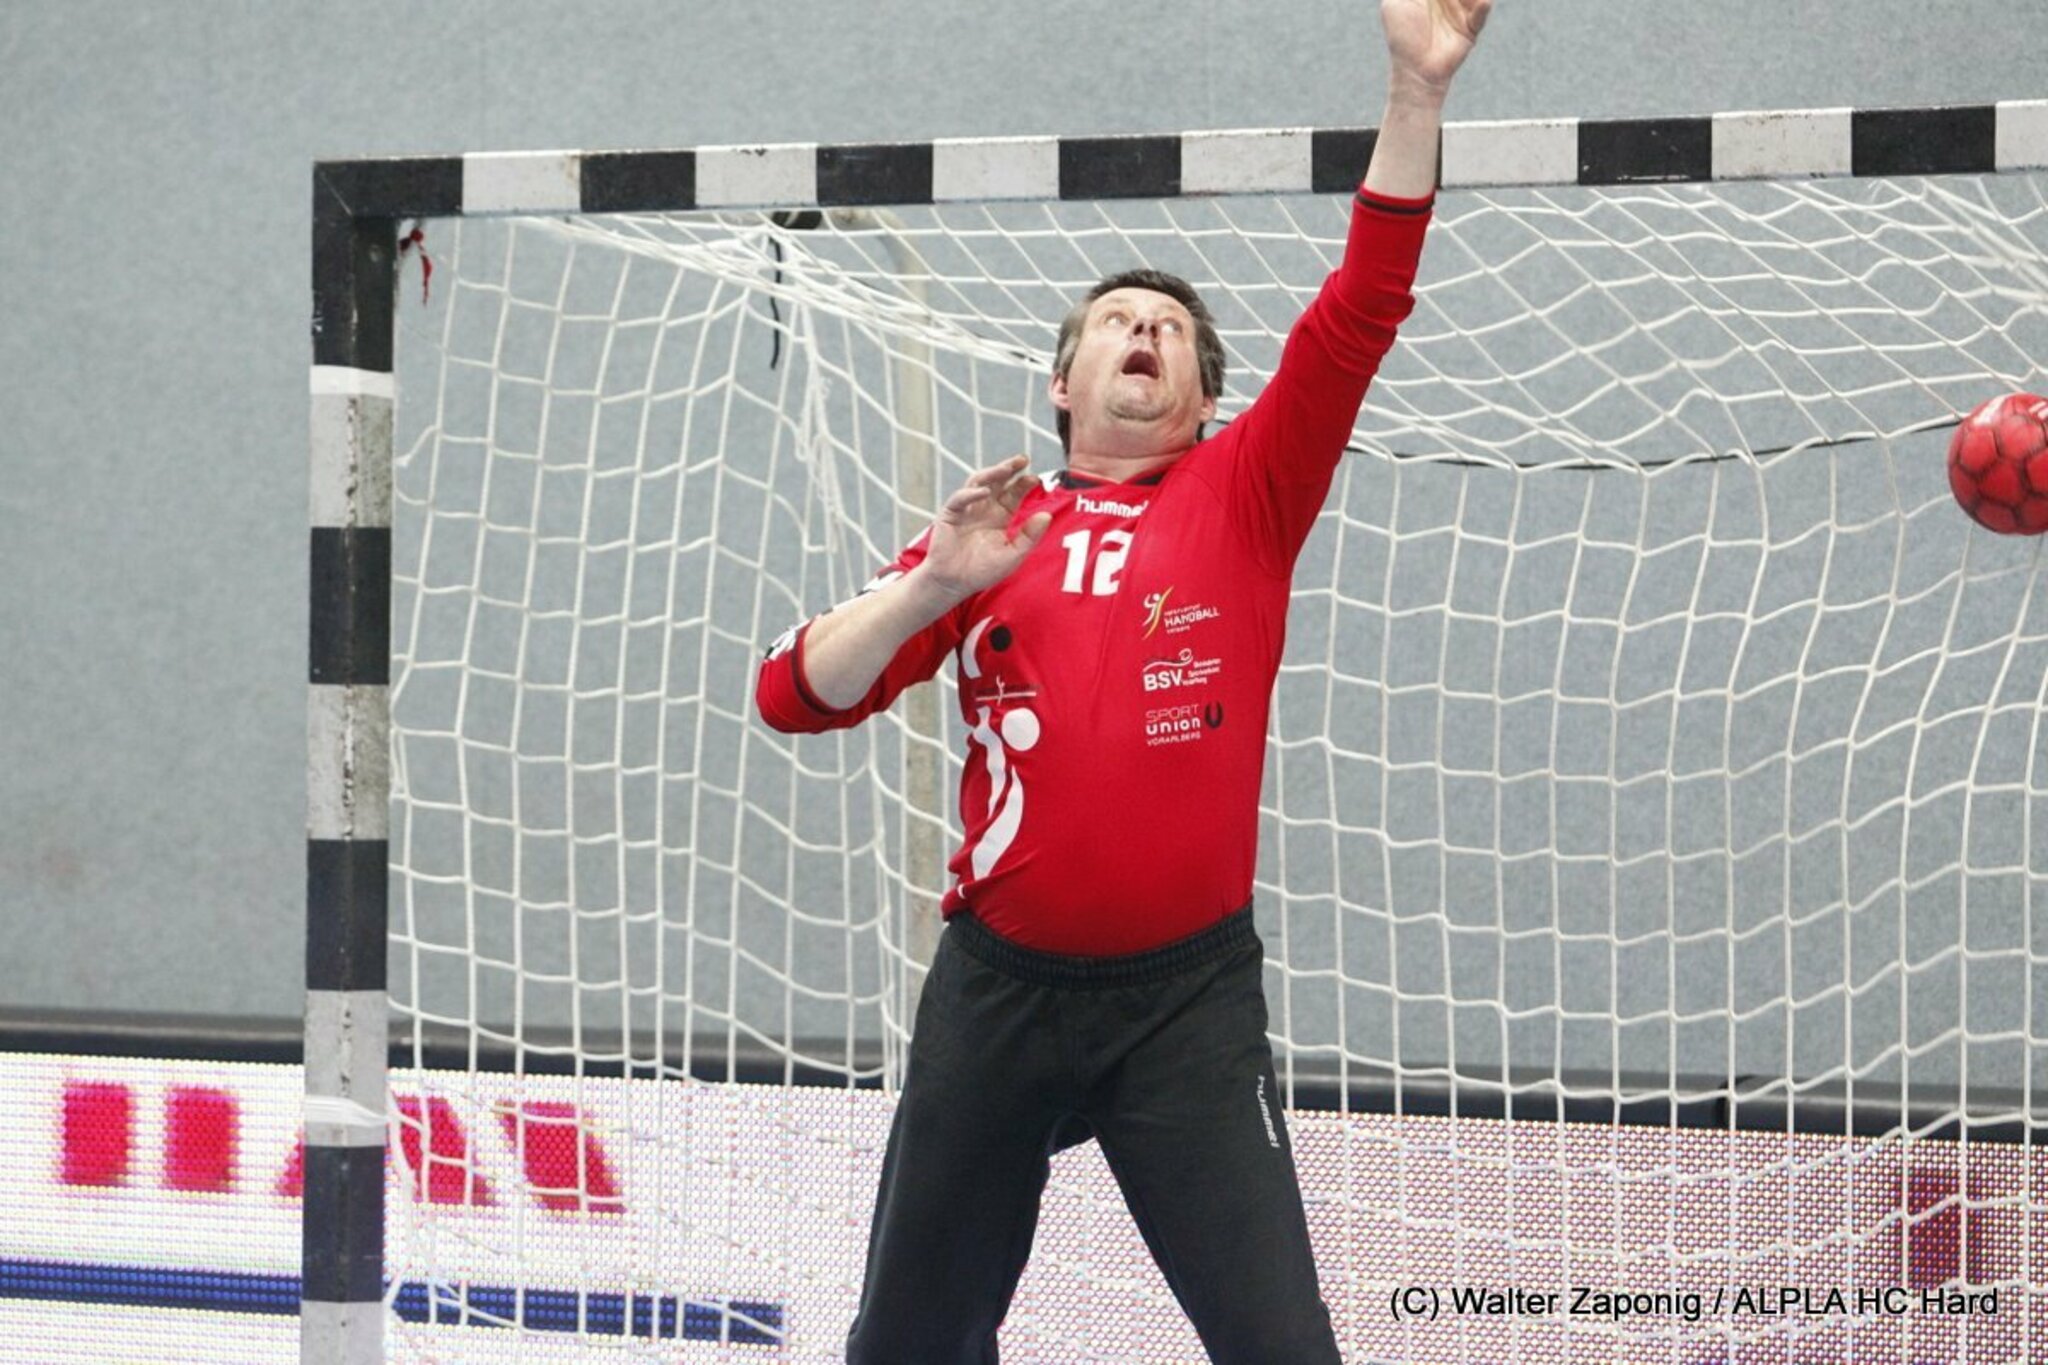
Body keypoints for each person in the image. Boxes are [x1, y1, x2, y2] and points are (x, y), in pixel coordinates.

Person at [756, 2, 1491, 1357]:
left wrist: (1413, 89)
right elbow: (793, 695)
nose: (1142, 332)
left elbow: (1363, 308)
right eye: (1114, 322)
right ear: (1061, 382)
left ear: (1208, 397)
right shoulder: (990, 528)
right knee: (903, 1344)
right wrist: (933, 583)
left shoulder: (1248, 493)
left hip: (1183, 1009)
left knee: (1282, 1345)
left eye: (1168, 327)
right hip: (992, 994)